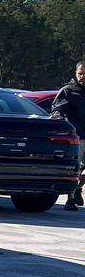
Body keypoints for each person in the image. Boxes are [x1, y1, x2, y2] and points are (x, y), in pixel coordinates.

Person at [53, 61, 85, 210]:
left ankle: (78, 188)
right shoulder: (68, 91)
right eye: (80, 73)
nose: (83, 76)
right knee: (74, 168)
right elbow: (57, 109)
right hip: (76, 137)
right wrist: (61, 121)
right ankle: (70, 199)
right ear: (76, 73)